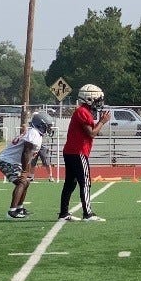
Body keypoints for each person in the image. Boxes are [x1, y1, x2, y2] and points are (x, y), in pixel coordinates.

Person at [59, 84, 111, 221]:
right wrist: (102, 122)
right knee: (85, 182)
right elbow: (92, 133)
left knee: (70, 183)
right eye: (97, 100)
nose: (99, 103)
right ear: (89, 99)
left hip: (71, 151)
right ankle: (87, 213)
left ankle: (63, 213)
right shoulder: (82, 111)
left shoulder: (83, 112)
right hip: (78, 152)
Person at [0, 111, 55, 219]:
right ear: (40, 125)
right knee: (22, 181)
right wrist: (24, 171)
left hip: (13, 161)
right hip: (6, 160)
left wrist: (26, 171)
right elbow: (26, 152)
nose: (49, 129)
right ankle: (12, 211)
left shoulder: (36, 133)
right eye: (47, 126)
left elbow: (29, 154)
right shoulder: (34, 133)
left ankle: (19, 208)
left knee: (26, 182)